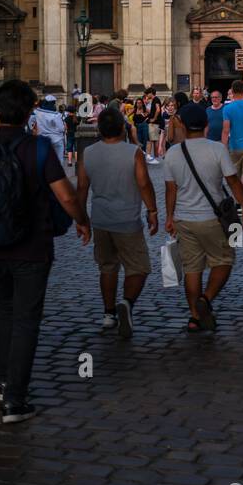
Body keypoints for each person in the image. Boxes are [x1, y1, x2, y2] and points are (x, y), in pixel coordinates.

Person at [0, 79, 90, 424]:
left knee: (7, 312)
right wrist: (82, 222)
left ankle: (2, 382)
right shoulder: (39, 149)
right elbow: (67, 196)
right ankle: (15, 399)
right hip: (32, 247)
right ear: (29, 111)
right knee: (26, 319)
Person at [163, 101, 243, 334]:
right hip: (213, 218)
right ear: (207, 124)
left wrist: (169, 217)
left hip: (184, 219)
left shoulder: (172, 153)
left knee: (192, 269)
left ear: (183, 125)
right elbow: (233, 182)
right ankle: (207, 298)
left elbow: (171, 190)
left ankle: (195, 317)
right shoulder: (217, 149)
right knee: (225, 260)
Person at [76, 105, 158, 338]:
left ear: (99, 129)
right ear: (123, 127)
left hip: (101, 220)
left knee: (107, 267)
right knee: (139, 268)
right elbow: (143, 184)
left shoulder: (88, 154)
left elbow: (82, 188)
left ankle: (109, 314)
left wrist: (81, 219)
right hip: (128, 220)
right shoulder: (133, 153)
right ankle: (127, 303)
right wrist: (152, 211)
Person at [30, 93, 66, 166]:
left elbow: (30, 120)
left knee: (43, 160)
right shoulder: (56, 115)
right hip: (56, 139)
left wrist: (32, 128)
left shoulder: (37, 112)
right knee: (59, 160)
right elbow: (61, 128)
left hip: (42, 138)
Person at [146, 89, 163, 164]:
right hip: (155, 123)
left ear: (151, 93)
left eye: (147, 94)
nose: (147, 95)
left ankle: (149, 155)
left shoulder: (155, 99)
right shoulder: (155, 100)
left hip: (154, 123)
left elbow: (158, 110)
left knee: (151, 139)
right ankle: (155, 157)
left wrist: (154, 119)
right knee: (154, 139)